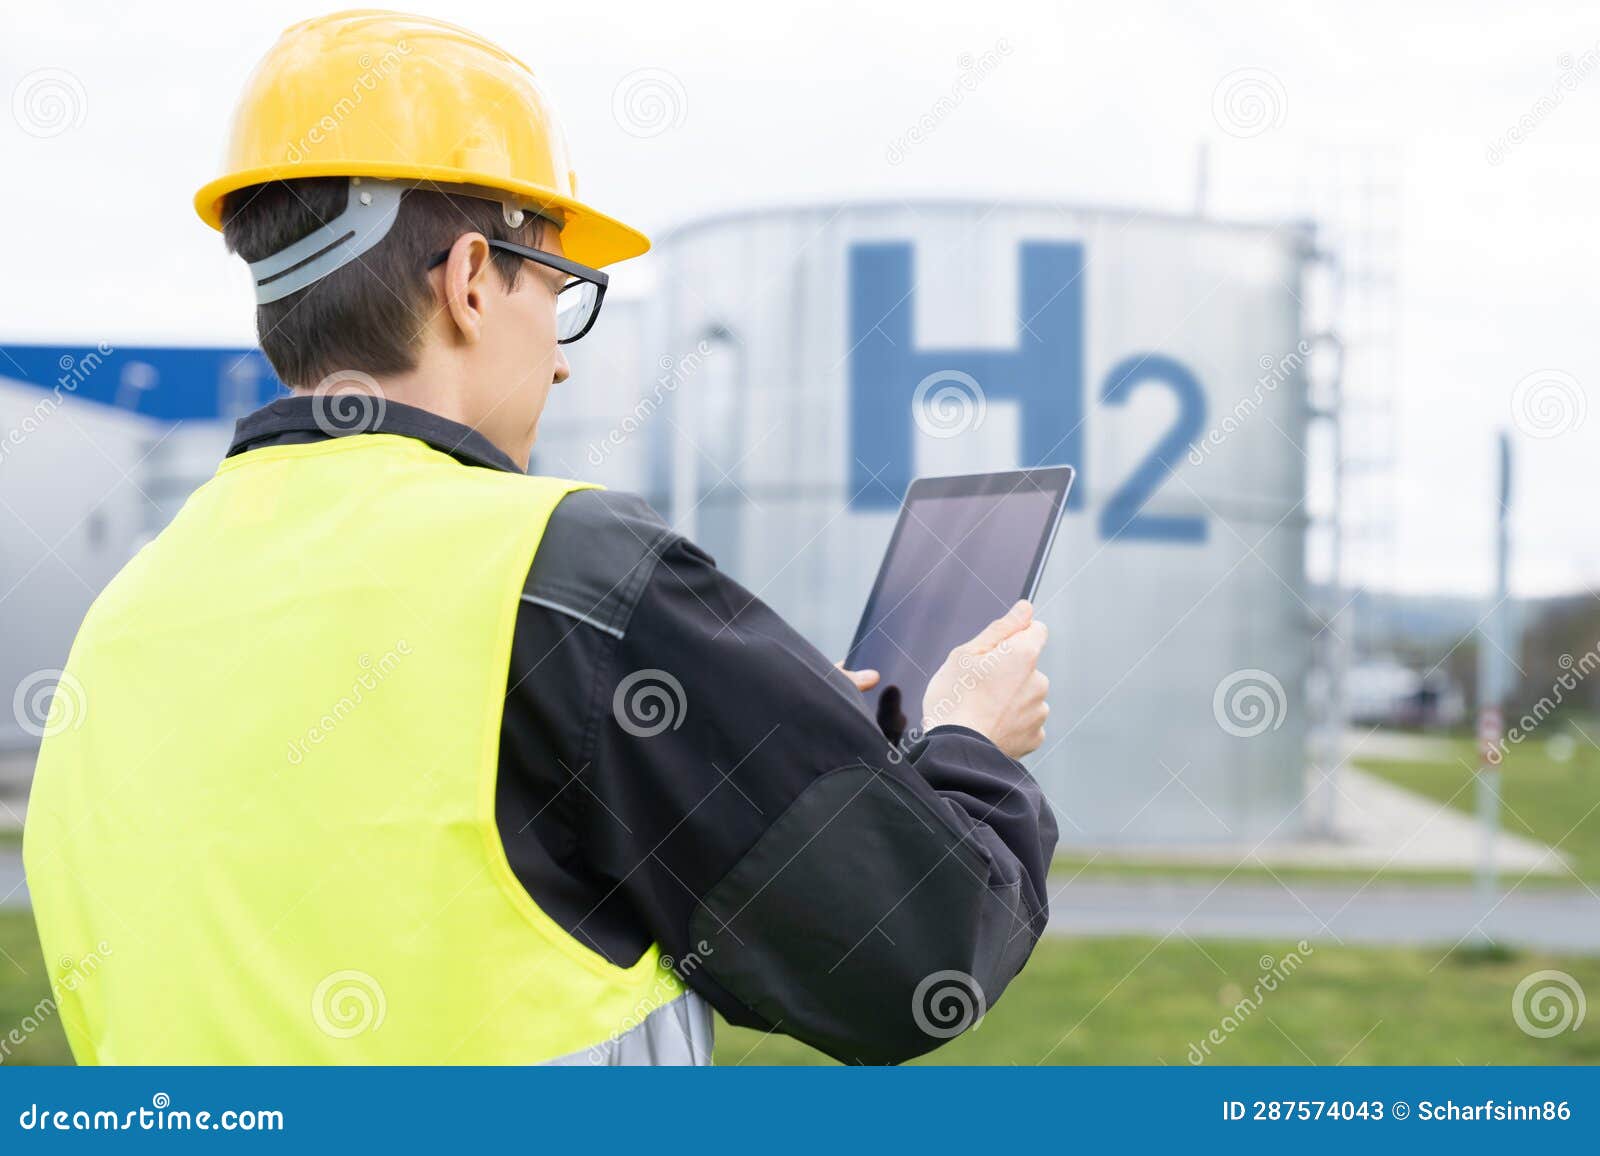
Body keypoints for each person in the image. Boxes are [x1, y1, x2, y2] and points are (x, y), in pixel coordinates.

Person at [24, 9, 1056, 1066]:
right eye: (560, 294)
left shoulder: (129, 613)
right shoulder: (563, 569)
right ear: (473, 278)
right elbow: (915, 960)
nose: (560, 363)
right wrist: (968, 747)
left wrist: (770, 735)